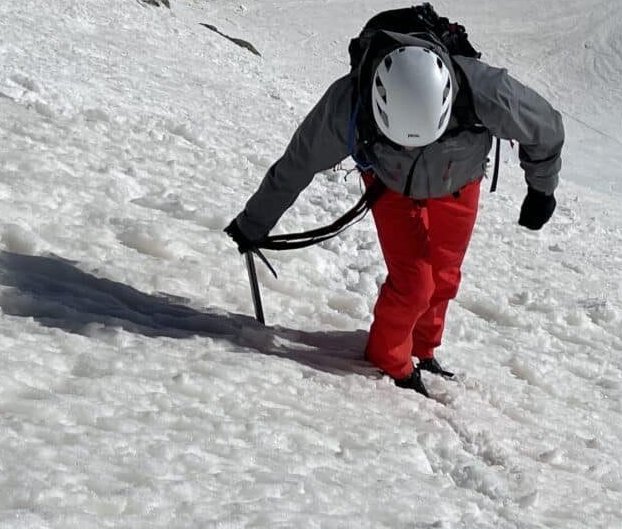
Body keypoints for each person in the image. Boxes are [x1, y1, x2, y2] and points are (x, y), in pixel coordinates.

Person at [226, 25, 563, 394]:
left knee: (445, 274)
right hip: (389, 184)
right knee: (415, 283)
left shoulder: (486, 91)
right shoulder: (347, 104)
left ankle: (423, 349)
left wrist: (541, 191)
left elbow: (545, 129)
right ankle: (390, 360)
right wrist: (253, 222)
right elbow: (297, 164)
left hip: (458, 178)